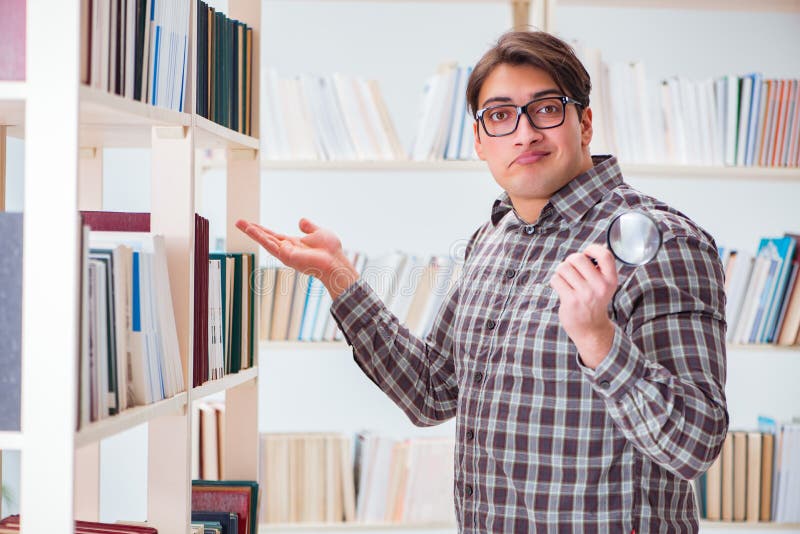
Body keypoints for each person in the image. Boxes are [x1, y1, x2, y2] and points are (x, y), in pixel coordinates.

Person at [237, 31, 728, 532]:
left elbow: (696, 446)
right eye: (499, 115)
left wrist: (599, 342)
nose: (524, 134)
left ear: (584, 123)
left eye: (546, 109)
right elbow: (431, 392)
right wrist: (337, 275)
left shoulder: (659, 240)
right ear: (479, 140)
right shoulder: (492, 238)